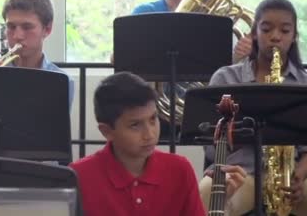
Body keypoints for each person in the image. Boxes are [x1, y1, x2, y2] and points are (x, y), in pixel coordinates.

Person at [70, 72, 246, 216]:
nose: (149, 134)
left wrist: (221, 203)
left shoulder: (179, 169)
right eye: (135, 125)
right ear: (107, 131)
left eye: (153, 119)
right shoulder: (78, 176)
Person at [201, 0, 307, 215]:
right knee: (206, 194)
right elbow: (210, 147)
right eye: (266, 29)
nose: (275, 37)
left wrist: (300, 174)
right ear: (254, 33)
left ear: (294, 37)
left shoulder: (304, 83)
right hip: (240, 172)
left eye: (285, 31)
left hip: (291, 176)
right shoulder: (226, 78)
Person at [0, 0, 74, 105]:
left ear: (47, 29)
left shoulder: (61, 81)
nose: (17, 36)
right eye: (11, 27)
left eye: (27, 27)